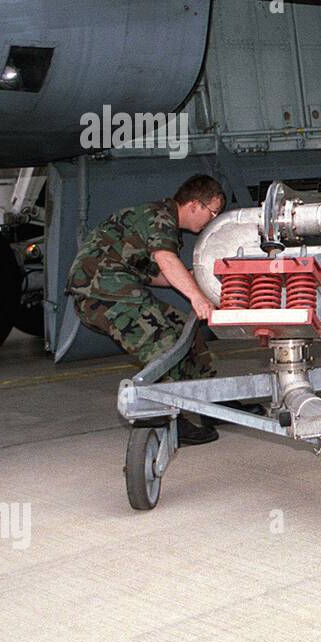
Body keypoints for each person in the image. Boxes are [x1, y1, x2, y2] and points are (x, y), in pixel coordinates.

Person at [67, 174, 225, 445]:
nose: (211, 219)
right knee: (160, 340)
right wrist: (198, 299)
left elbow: (156, 274)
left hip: (116, 288)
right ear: (195, 205)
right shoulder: (160, 217)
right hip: (102, 291)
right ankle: (168, 419)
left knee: (180, 326)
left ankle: (211, 401)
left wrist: (196, 277)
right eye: (212, 212)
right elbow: (165, 260)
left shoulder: (162, 223)